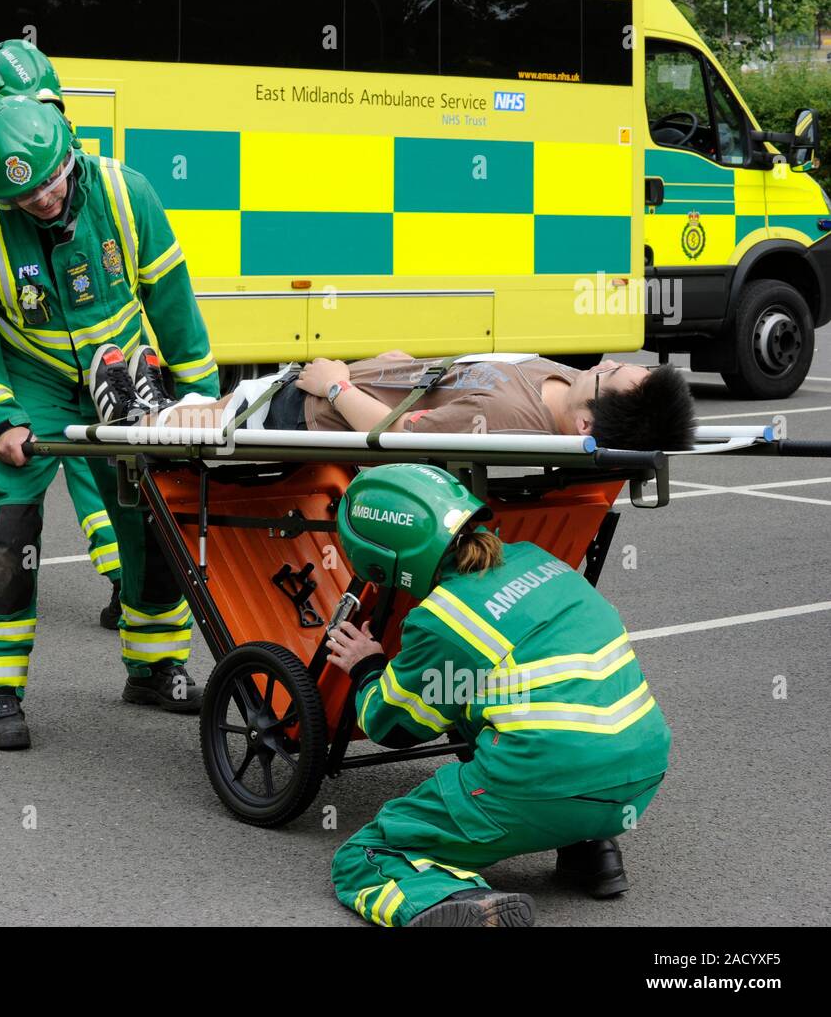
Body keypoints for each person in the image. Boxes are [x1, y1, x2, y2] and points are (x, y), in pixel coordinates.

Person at [0, 93, 220, 749]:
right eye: (27, 198)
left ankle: (154, 667)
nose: (45, 202)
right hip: (34, 382)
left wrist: (199, 397)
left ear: (71, 153)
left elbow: (172, 301)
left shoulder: (127, 193)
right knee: (11, 522)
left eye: (53, 184)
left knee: (152, 513)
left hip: (122, 374)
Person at [323, 464, 671, 926]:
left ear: (382, 556)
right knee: (504, 699)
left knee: (367, 854)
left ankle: (447, 901)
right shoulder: (542, 561)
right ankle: (592, 847)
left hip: (542, 784)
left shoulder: (443, 619)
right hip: (639, 774)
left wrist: (367, 665)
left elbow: (393, 726)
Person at [0, 39, 125, 630]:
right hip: (44, 373)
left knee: (107, 493)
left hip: (63, 368)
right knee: (37, 495)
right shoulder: (8, 183)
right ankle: (121, 579)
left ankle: (138, 615)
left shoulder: (97, 185)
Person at [112, 348, 697, 453]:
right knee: (225, 400)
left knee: (212, 420)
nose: (615, 363)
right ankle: (161, 403)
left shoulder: (503, 421)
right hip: (354, 382)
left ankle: (135, 416)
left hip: (311, 410)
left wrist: (336, 386)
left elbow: (397, 437)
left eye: (617, 376)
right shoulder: (560, 383)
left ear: (586, 424)